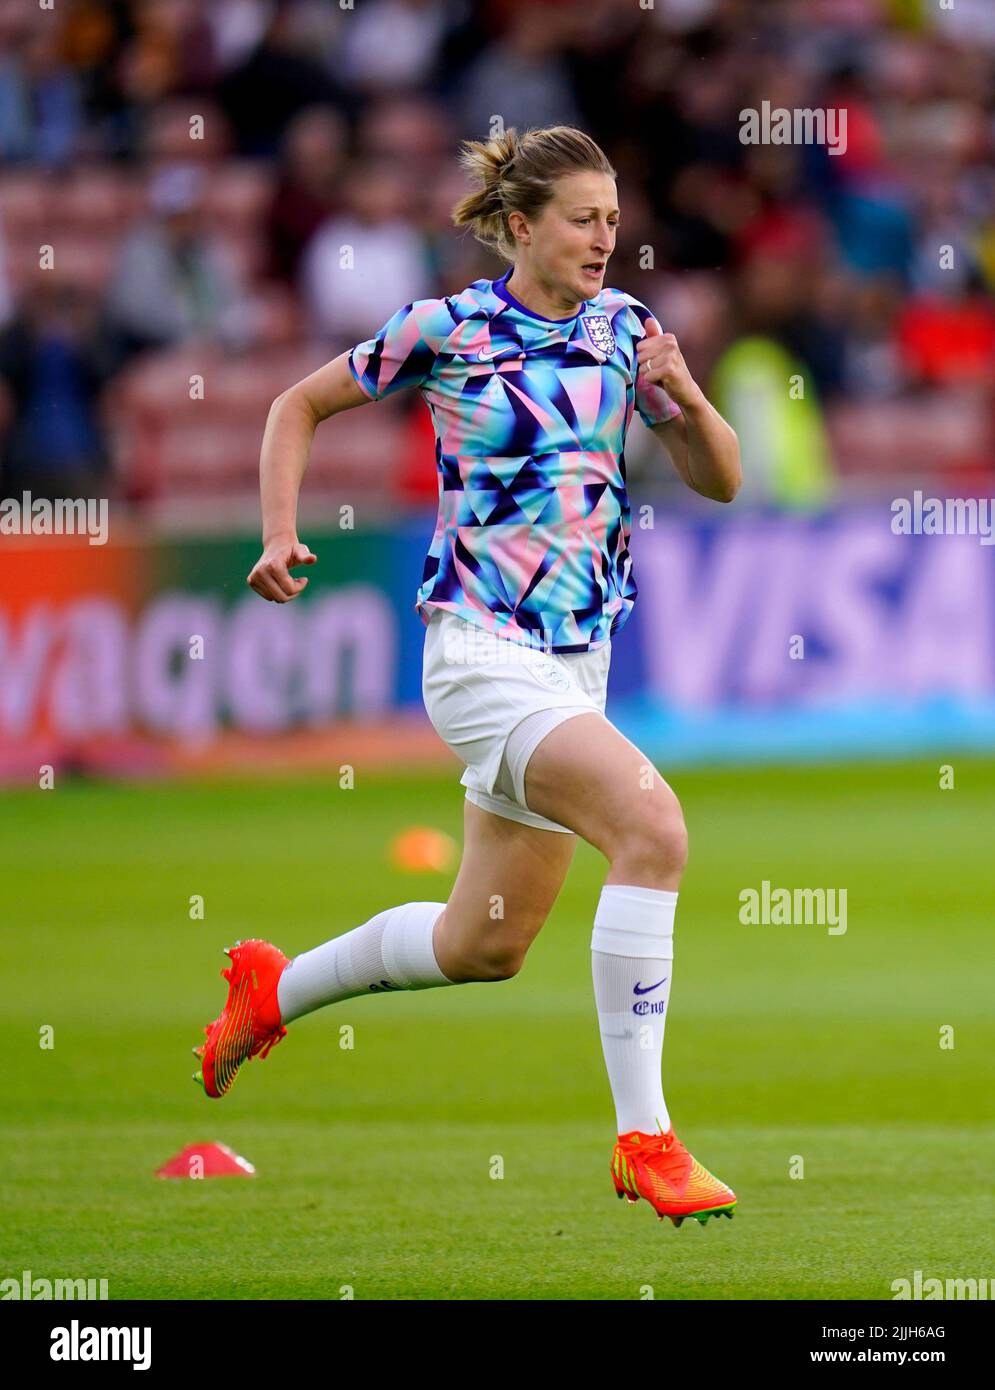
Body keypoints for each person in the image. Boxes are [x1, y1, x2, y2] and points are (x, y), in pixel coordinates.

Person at [192, 125, 743, 1227]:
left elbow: (717, 479)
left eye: (612, 221)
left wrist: (680, 392)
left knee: (481, 941)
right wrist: (276, 531)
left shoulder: (626, 331)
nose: (604, 239)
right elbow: (291, 405)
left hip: (576, 664)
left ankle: (273, 988)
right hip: (481, 652)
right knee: (654, 830)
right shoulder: (445, 329)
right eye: (584, 220)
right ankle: (646, 1138)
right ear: (521, 224)